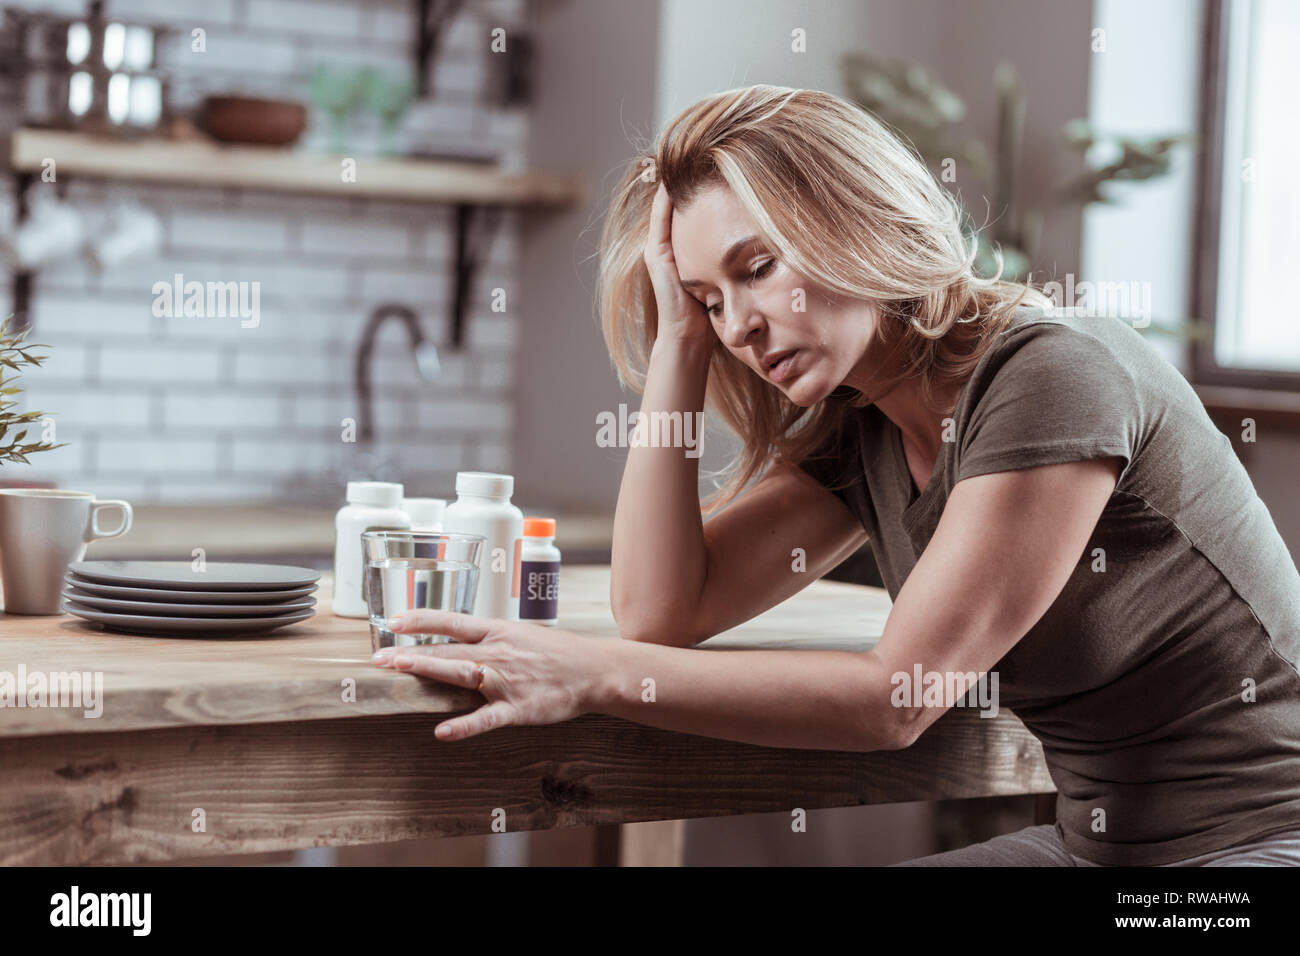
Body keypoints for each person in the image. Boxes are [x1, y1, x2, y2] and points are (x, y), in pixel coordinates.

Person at [371, 85, 1300, 866]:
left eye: (758, 269)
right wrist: (680, 343)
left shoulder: (1052, 376)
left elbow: (895, 700)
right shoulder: (868, 427)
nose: (739, 324)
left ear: (849, 217)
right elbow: (663, 611)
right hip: (1101, 850)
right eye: (709, 297)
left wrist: (592, 676)